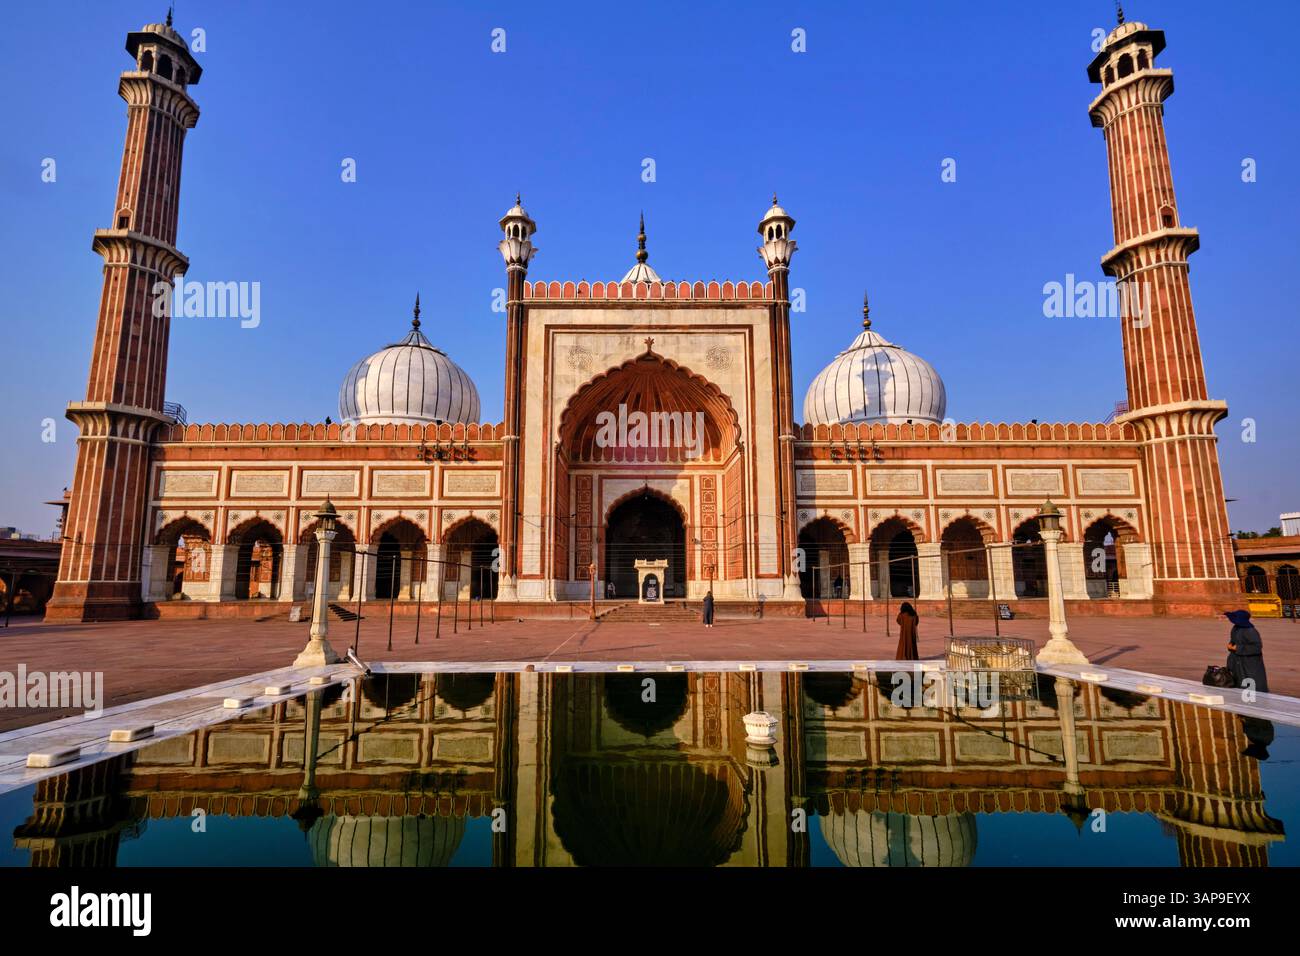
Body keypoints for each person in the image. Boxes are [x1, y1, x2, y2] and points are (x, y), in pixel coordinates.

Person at [1225, 609, 1269, 693]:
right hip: (1237, 661)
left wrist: (1238, 648)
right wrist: (1230, 645)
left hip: (1249, 663)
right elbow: (1234, 640)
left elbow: (1257, 647)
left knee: (1253, 685)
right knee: (1239, 684)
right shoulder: (1235, 628)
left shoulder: (1250, 631)